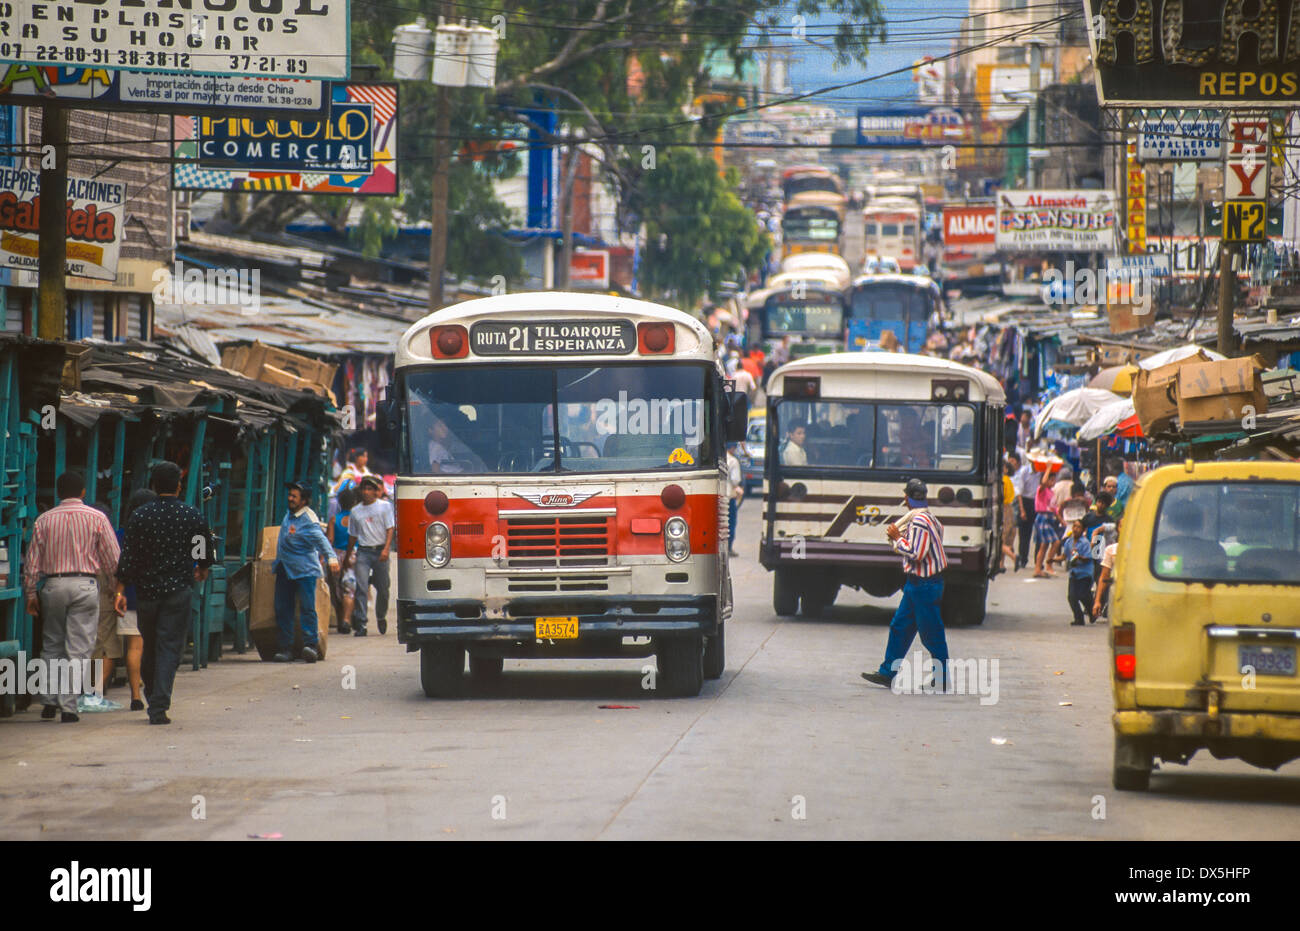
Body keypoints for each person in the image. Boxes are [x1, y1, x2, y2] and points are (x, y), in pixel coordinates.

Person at [115, 462, 216, 725]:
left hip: (147, 593)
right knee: (170, 647)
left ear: (154, 486)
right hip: (178, 592)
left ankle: (152, 693)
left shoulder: (139, 517)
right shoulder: (191, 515)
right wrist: (202, 568)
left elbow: (129, 557)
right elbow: (202, 552)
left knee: (149, 645)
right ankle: (159, 704)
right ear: (179, 485)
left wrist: (121, 588)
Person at [23, 471, 125, 723]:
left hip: (53, 585)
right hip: (85, 584)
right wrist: (116, 590)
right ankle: (68, 707)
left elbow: (32, 561)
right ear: (83, 492)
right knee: (78, 648)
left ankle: (48, 701)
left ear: (58, 493)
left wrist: (30, 592)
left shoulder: (43, 520)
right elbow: (113, 559)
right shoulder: (97, 518)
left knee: (51, 644)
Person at [862, 479, 949, 689]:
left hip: (924, 585)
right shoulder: (930, 517)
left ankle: (942, 678)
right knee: (900, 627)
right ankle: (887, 672)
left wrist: (897, 537)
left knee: (931, 633)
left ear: (906, 498)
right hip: (918, 584)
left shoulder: (919, 521)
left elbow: (916, 553)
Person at [271, 481, 339, 663]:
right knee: (282, 608)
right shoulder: (290, 514)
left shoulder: (309, 520)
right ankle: (285, 648)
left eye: (294, 496)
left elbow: (321, 541)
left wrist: (332, 558)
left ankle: (310, 646)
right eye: (290, 495)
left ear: (304, 501)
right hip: (285, 568)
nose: (290, 498)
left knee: (308, 608)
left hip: (305, 571)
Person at [113, 489, 157, 712]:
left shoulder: (120, 534)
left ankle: (135, 696)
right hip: (153, 596)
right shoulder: (157, 534)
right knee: (153, 647)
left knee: (134, 647)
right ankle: (152, 691)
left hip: (127, 595)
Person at [345, 475, 395, 636]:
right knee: (361, 587)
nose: (366, 492)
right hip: (364, 552)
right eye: (364, 489)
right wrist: (347, 557)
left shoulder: (385, 507)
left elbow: (390, 529)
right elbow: (353, 536)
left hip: (380, 550)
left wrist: (386, 549)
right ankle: (362, 623)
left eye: (370, 489)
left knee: (383, 588)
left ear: (375, 492)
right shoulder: (355, 511)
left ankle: (381, 615)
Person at [326, 486, 358, 635]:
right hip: (353, 556)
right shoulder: (356, 518)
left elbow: (330, 539)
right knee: (349, 590)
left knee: (336, 590)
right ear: (354, 502)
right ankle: (346, 620)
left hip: (336, 556)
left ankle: (341, 621)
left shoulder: (334, 519)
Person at [1062, 519, 1095, 626]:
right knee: (1072, 597)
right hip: (1074, 573)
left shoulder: (1085, 543)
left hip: (1085, 573)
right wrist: (1052, 560)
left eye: (1078, 527)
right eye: (1074, 526)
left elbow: (1088, 558)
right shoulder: (1069, 542)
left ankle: (1091, 611)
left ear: (1083, 530)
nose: (1076, 529)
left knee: (1082, 595)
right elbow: (1064, 556)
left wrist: (1078, 557)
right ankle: (1079, 618)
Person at [1009, 452, 1038, 571]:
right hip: (1025, 502)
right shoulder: (1024, 472)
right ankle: (1022, 558)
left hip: (1036, 502)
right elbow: (1020, 493)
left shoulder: (1041, 472)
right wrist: (1022, 510)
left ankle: (1038, 562)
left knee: (1036, 534)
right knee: (1024, 533)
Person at [1033, 470, 1062, 578]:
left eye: (1054, 480)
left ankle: (1037, 569)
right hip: (1043, 517)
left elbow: (1055, 509)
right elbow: (1043, 483)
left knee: (1044, 545)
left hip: (1050, 518)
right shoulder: (1042, 490)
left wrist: (1061, 520)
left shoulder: (1052, 492)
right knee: (1056, 542)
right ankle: (1049, 565)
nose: (1053, 482)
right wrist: (1048, 468)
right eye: (1051, 479)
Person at [1092, 519, 1121, 620]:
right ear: (1118, 529)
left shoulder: (1141, 548)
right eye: (1121, 526)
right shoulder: (1111, 550)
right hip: (1116, 594)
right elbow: (1104, 576)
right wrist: (1097, 601)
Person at [996, 455, 1018, 573]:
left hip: (1003, 509)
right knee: (1006, 536)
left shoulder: (1002, 481)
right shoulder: (1009, 480)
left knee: (1001, 537)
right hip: (1010, 508)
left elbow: (1000, 496)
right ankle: (1001, 564)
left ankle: (1013, 557)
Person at [725, 443, 744, 558]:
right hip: (729, 497)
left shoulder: (717, 458)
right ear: (732, 448)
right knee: (730, 523)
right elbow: (735, 480)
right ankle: (729, 547)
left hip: (717, 496)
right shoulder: (733, 461)